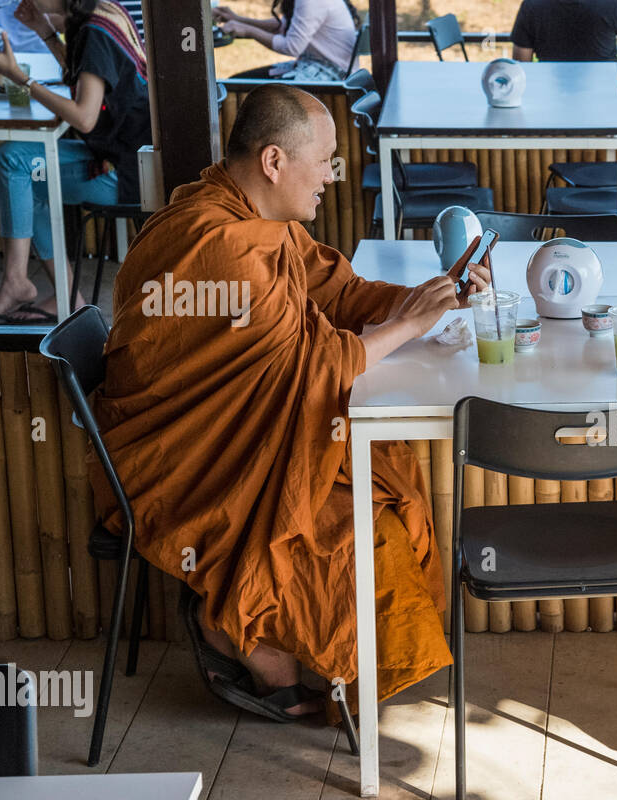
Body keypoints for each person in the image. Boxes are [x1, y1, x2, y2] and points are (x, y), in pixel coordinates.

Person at [91, 85, 490, 718]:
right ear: (274, 162)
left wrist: (433, 296)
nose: (332, 175)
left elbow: (338, 291)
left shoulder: (256, 220)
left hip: (241, 441)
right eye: (326, 159)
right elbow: (313, 367)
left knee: (386, 480)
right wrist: (410, 325)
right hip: (193, 469)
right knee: (355, 527)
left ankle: (273, 640)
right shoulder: (220, 244)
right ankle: (240, 630)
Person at [0, 0, 151, 322]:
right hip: (134, 156)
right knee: (17, 161)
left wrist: (19, 77)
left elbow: (84, 117)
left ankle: (19, 283)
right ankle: (50, 292)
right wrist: (45, 32)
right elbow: (86, 79)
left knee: (16, 164)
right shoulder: (104, 10)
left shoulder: (92, 32)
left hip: (127, 174)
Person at [215, 0, 358, 82]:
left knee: (238, 85)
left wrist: (248, 31)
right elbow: (283, 25)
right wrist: (237, 19)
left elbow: (291, 47)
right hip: (316, 66)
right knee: (238, 81)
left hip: (332, 77)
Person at [511, 0, 617, 63]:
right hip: (603, 101)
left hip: (552, 99)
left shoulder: (532, 5)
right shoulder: (611, 4)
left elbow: (521, 61)